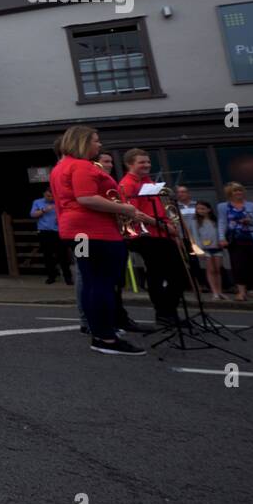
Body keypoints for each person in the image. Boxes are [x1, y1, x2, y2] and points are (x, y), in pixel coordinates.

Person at [52, 126, 152, 355]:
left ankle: (98, 331)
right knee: (102, 283)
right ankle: (106, 337)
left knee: (91, 281)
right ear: (82, 142)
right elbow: (86, 197)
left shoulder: (61, 166)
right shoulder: (81, 166)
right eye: (95, 141)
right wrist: (124, 207)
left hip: (77, 232)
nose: (99, 145)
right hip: (95, 232)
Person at [118, 148, 185, 326]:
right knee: (159, 274)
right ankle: (164, 313)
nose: (147, 165)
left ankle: (169, 312)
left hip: (161, 232)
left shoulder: (147, 181)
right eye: (142, 162)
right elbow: (133, 213)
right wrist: (162, 225)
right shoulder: (128, 184)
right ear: (129, 164)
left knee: (177, 274)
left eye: (148, 162)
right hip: (147, 235)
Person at [217, 182, 253, 302]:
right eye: (235, 191)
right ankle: (241, 292)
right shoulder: (223, 206)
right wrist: (221, 238)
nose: (238, 193)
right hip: (235, 240)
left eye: (240, 190)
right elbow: (222, 223)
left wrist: (250, 221)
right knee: (239, 266)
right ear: (229, 194)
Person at [31, 190, 73, 284]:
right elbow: (32, 214)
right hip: (44, 231)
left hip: (59, 231)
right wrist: (43, 210)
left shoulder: (60, 201)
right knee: (47, 255)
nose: (50, 198)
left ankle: (67, 277)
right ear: (44, 195)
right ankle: (51, 277)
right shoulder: (37, 202)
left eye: (51, 196)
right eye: (48, 196)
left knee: (63, 255)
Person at [189, 200, 225, 299]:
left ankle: (220, 291)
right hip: (205, 249)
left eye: (203, 209)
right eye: (198, 209)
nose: (200, 211)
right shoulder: (195, 221)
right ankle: (214, 292)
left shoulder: (214, 220)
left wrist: (221, 242)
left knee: (217, 269)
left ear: (209, 209)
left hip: (217, 247)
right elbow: (195, 236)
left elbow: (219, 232)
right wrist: (199, 250)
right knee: (210, 270)